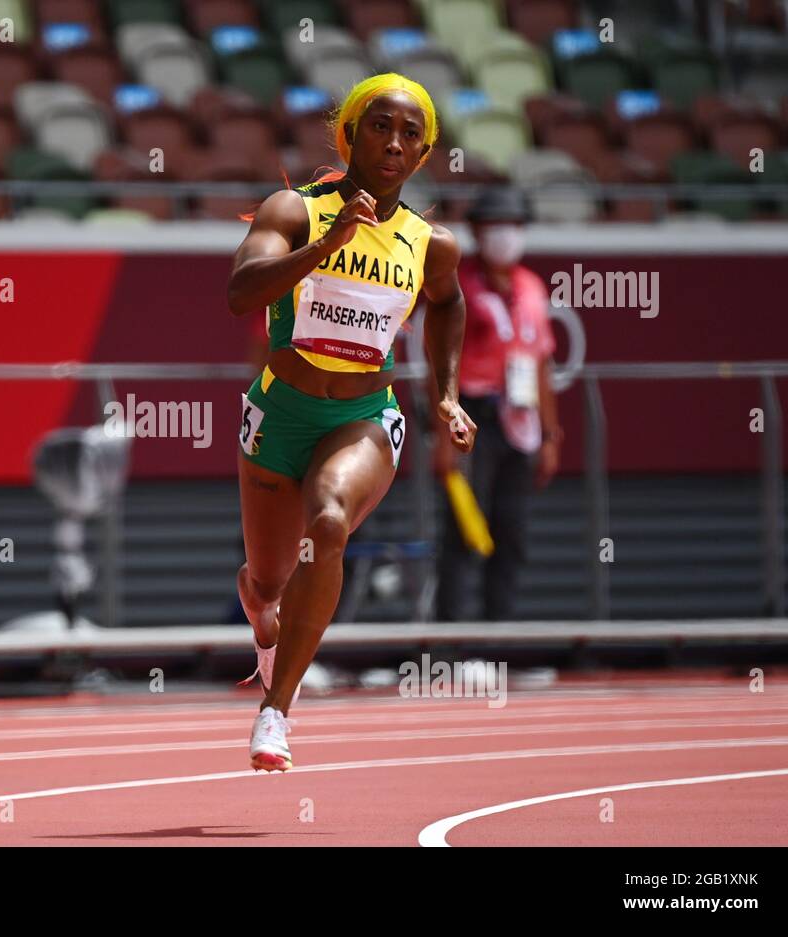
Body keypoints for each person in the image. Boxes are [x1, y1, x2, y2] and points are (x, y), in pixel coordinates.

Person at [227, 74, 476, 772]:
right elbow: (240, 293)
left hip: (366, 414)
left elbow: (449, 304)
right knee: (269, 580)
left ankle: (276, 709)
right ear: (351, 133)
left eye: (409, 135)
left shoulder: (431, 242)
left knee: (329, 520)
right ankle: (261, 606)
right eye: (379, 127)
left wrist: (449, 395)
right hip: (281, 412)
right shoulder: (294, 210)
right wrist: (325, 245)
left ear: (424, 154)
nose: (393, 143)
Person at [433, 187, 562, 622]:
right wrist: (443, 432)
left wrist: (550, 434)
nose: (506, 236)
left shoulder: (532, 286)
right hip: (472, 414)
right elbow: (439, 358)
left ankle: (499, 641)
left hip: (520, 418)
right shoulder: (458, 285)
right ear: (476, 232)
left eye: (514, 227)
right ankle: (450, 645)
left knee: (512, 531)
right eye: (495, 227)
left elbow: (541, 360)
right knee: (464, 529)